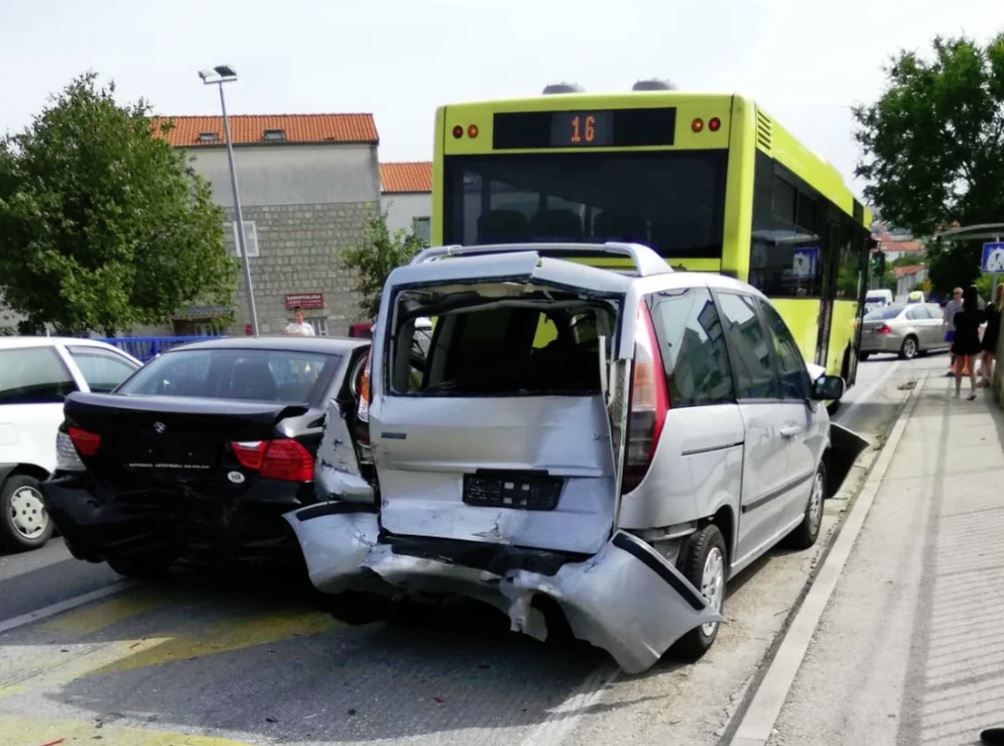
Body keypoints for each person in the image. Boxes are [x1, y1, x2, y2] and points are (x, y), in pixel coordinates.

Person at [950, 285, 982, 400]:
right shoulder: (978, 314)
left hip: (960, 341)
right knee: (971, 368)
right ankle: (973, 390)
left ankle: (957, 393)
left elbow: (955, 325)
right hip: (973, 341)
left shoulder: (959, 315)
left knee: (959, 367)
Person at [978, 282, 1003, 388]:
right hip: (1000, 336)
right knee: (992, 357)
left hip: (990, 335)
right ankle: (990, 378)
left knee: (985, 357)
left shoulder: (992, 306)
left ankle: (986, 379)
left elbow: (983, 319)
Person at [942, 287, 964, 376]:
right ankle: (952, 361)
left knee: (959, 347)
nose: (955, 295)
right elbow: (946, 315)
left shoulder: (964, 303)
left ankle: (958, 363)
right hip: (951, 328)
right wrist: (943, 324)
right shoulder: (950, 304)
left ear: (961, 294)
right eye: (954, 293)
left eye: (957, 293)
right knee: (951, 346)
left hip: (961, 329)